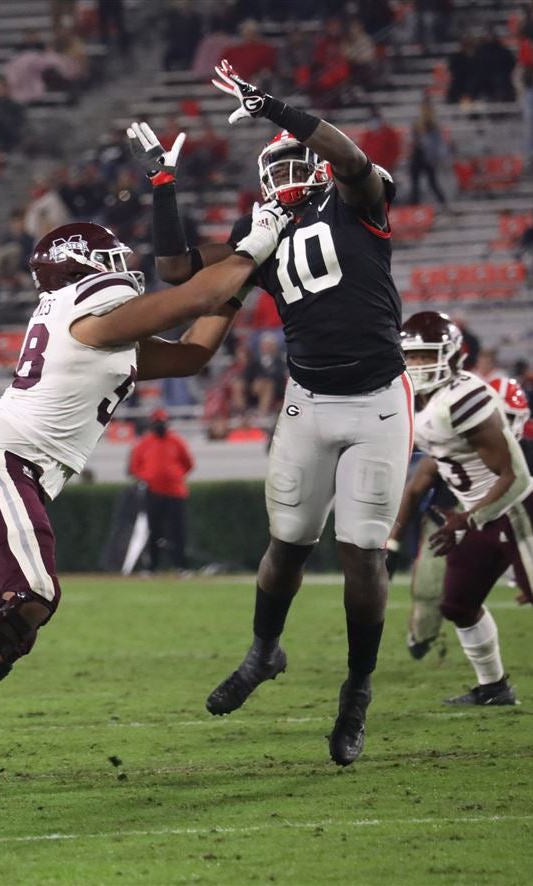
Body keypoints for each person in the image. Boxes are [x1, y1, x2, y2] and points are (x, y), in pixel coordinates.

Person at [0, 212, 289, 788]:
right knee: (33, 594)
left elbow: (193, 355)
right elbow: (198, 295)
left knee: (14, 626)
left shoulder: (98, 328)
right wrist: (254, 246)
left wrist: (239, 285)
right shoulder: (86, 319)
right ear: (82, 272)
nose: (124, 272)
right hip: (0, 464)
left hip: (4, 471)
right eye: (110, 262)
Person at [140, 58, 412, 766]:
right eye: (277, 166)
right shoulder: (261, 231)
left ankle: (356, 691)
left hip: (378, 404)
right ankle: (264, 651)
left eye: (299, 160)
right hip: (307, 401)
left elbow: (352, 156)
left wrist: (275, 109)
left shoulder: (361, 199)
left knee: (362, 560)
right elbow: (176, 273)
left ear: (317, 166)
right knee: (284, 548)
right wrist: (163, 189)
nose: (289, 174)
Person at [388, 313, 533, 703]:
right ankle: (494, 687)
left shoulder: (462, 399)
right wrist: (391, 542)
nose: (417, 366)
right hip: (481, 516)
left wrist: (467, 518)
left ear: (450, 355)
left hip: (518, 511)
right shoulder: (423, 402)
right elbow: (424, 476)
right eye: (411, 357)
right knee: (458, 605)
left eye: (426, 357)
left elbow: (511, 475)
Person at [390, 374, 533, 662]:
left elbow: (532, 509)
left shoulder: (531, 453)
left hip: (507, 525)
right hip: (447, 524)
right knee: (434, 592)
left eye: (507, 416)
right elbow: (414, 490)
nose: (498, 423)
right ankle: (430, 641)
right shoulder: (449, 439)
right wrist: (392, 542)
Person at [128, 409, 193, 571]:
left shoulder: (177, 441)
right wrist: (148, 477)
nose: (160, 425)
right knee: (154, 531)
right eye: (157, 422)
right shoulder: (144, 443)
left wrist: (175, 476)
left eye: (162, 422)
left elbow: (188, 463)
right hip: (153, 492)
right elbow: (134, 467)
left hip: (175, 492)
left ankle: (180, 565)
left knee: (177, 530)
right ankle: (152, 566)